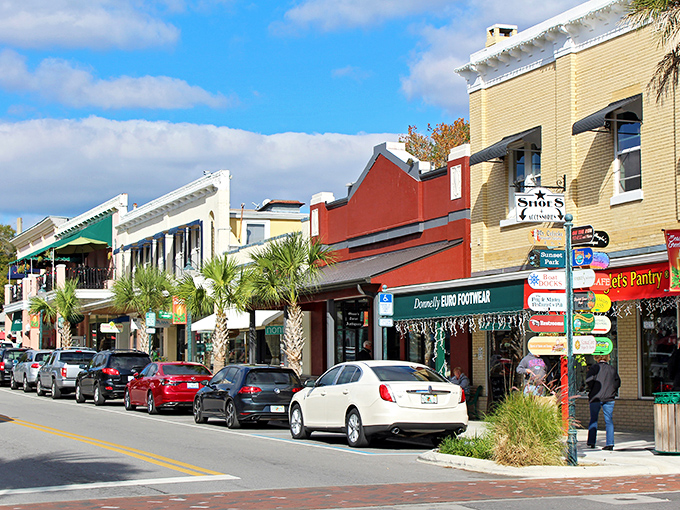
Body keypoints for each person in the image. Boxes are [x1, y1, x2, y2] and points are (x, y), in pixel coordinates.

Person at [586, 354, 621, 450]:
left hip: (595, 398)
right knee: (609, 421)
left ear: (596, 358)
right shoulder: (612, 369)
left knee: (594, 419)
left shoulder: (594, 368)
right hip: (609, 398)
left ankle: (591, 442)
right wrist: (612, 390)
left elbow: (589, 381)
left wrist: (593, 389)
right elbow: (618, 383)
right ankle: (610, 443)